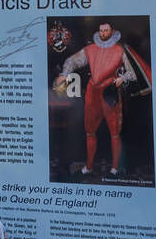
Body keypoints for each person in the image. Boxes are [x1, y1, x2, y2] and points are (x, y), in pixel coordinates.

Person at [54, 20, 151, 178]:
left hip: (110, 92)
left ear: (112, 32)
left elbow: (132, 72)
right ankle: (89, 167)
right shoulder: (91, 49)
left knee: (114, 132)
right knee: (89, 131)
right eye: (101, 30)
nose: (103, 33)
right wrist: (64, 74)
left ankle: (115, 168)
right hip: (92, 92)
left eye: (106, 30)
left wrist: (123, 78)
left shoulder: (120, 51)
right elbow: (72, 61)